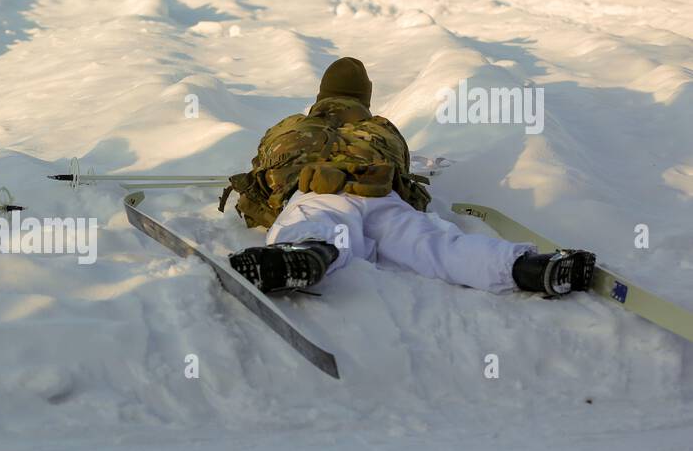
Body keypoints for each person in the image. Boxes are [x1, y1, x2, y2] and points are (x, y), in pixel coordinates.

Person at [222, 57, 595, 296]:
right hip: (379, 193)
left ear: (320, 97)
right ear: (364, 100)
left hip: (317, 192)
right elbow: (401, 169)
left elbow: (263, 178)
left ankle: (304, 254)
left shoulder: (288, 126)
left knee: (316, 225)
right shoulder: (382, 129)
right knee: (437, 247)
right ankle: (526, 267)